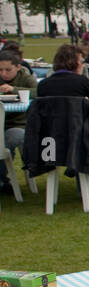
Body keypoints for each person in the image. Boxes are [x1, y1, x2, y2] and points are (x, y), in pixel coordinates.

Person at [0, 49, 38, 191]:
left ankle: (3, 181)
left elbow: (38, 91)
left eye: (7, 70)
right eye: (0, 70)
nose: (3, 74)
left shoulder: (26, 78)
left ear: (18, 67)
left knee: (7, 140)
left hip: (20, 124)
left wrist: (13, 89)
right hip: (1, 124)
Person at [36, 43, 89, 111]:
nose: (83, 65)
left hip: (51, 123)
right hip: (77, 122)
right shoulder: (82, 82)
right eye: (82, 61)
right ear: (74, 63)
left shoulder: (43, 85)